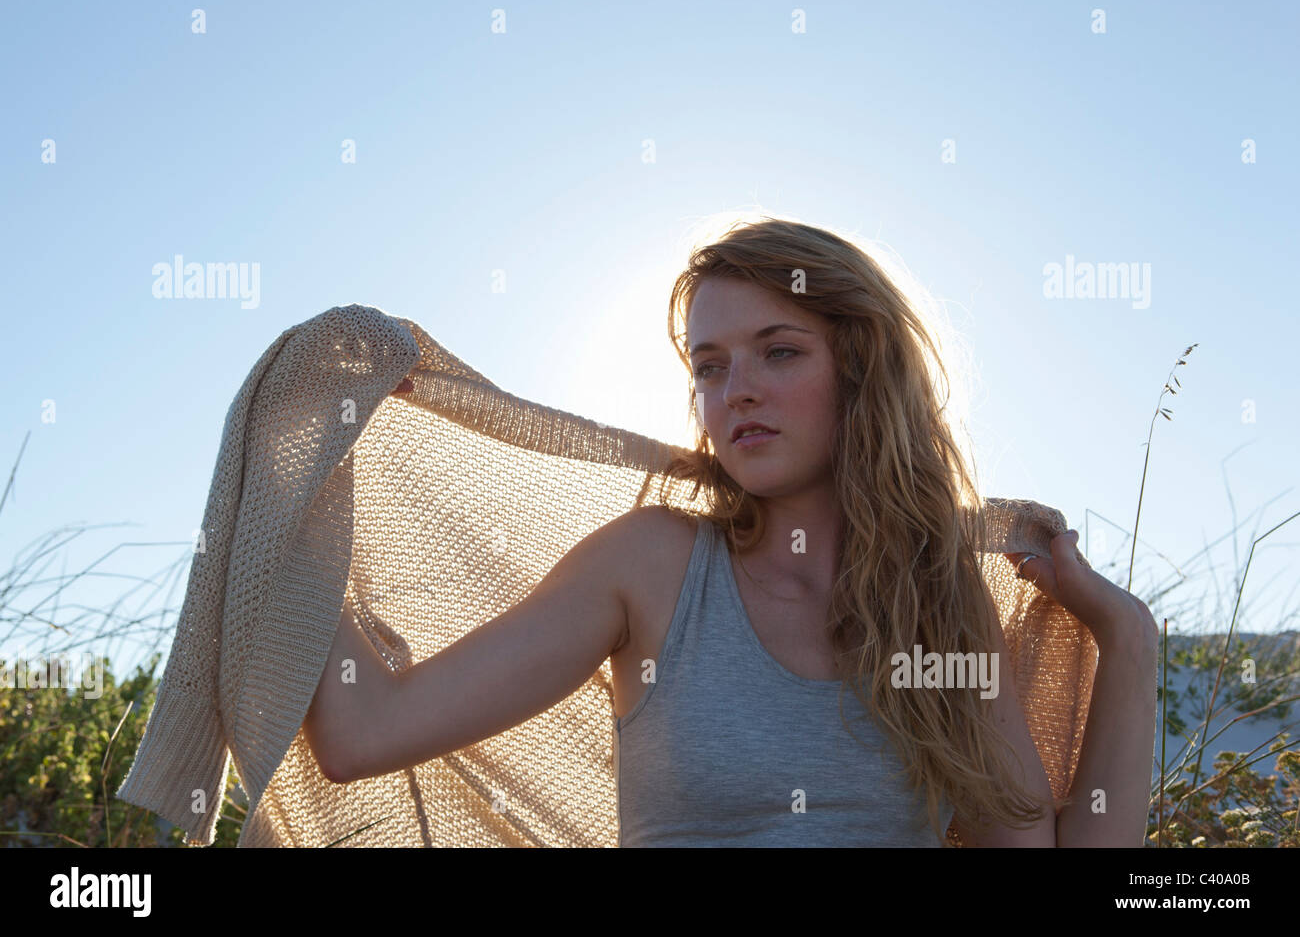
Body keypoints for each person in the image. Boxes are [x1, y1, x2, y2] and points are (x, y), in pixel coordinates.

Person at [303, 217, 1159, 847]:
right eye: (710, 367)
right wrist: (292, 475)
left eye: (778, 352)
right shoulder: (653, 565)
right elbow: (362, 734)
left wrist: (1128, 638)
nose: (736, 390)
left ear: (860, 369)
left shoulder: (938, 602)